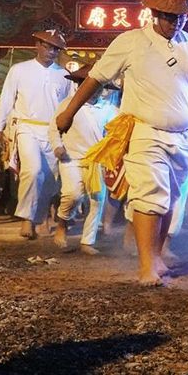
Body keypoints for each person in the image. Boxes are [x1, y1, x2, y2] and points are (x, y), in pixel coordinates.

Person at [56, 0, 188, 285]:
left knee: (169, 200)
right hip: (144, 130)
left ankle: (155, 256)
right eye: (168, 16)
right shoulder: (130, 41)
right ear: (154, 14)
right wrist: (68, 113)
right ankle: (145, 266)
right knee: (148, 195)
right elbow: (96, 78)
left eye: (180, 16)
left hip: (183, 137)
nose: (174, 22)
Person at [0, 31, 72, 239]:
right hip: (27, 128)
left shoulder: (64, 75)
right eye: (47, 46)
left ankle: (41, 216)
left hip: (53, 132)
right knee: (34, 171)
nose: (51, 51)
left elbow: (68, 108)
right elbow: (7, 100)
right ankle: (27, 219)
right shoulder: (19, 70)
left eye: (56, 48)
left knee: (49, 179)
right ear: (37, 44)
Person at [49, 64, 118, 254]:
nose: (94, 92)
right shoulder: (67, 104)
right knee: (72, 194)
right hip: (71, 158)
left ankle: (88, 241)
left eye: (98, 88)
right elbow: (54, 128)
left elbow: (116, 135)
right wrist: (58, 146)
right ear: (80, 85)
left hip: (96, 162)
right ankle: (62, 224)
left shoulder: (110, 109)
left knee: (97, 199)